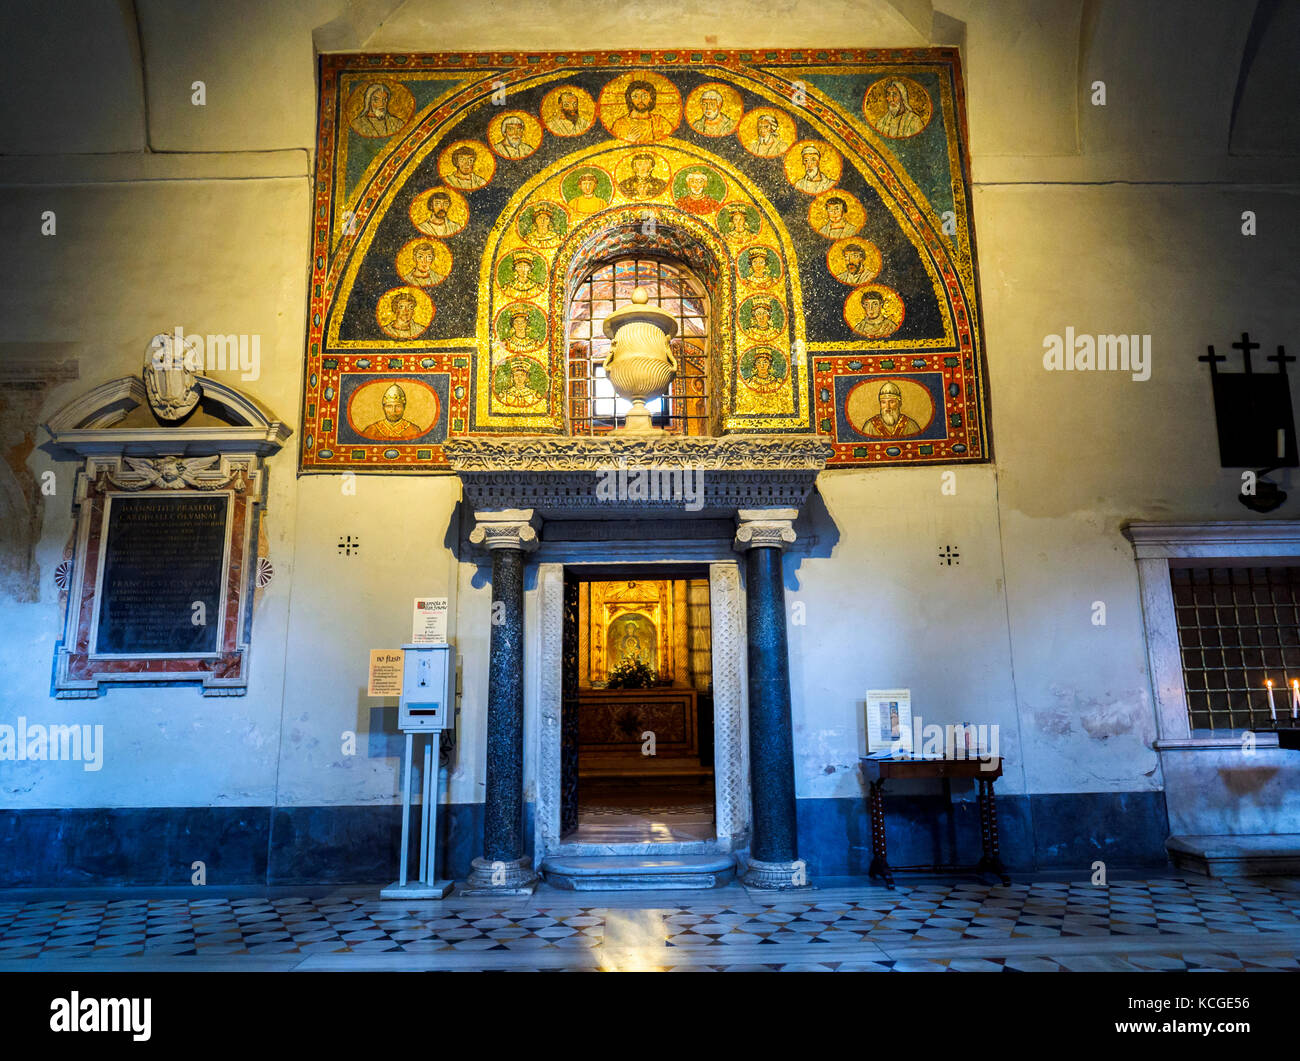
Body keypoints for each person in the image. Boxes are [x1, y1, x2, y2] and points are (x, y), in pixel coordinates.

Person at [608, 80, 673, 141]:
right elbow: (613, 147)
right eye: (635, 96)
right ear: (630, 99)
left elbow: (671, 142)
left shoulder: (660, 122)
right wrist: (627, 140)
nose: (640, 100)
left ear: (651, 99)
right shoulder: (620, 124)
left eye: (644, 96)